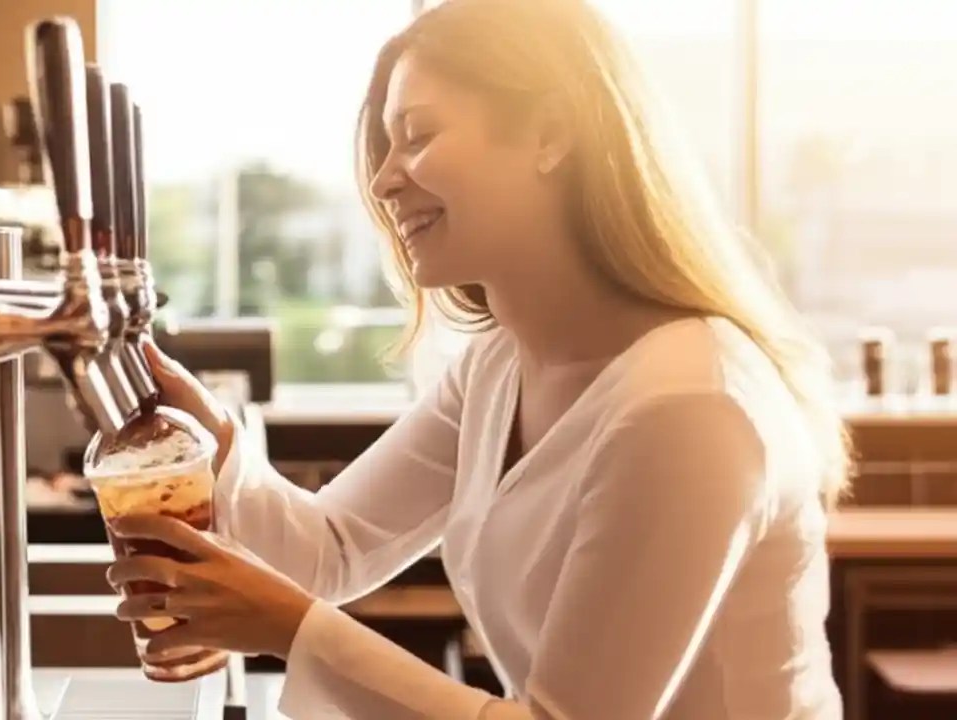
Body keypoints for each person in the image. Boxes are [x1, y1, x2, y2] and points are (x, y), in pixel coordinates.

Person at [104, 0, 851, 717]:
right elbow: (331, 551)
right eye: (386, 147)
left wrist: (289, 628)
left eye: (418, 135)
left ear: (551, 135)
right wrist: (217, 441)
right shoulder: (500, 366)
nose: (384, 177)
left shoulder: (688, 409)